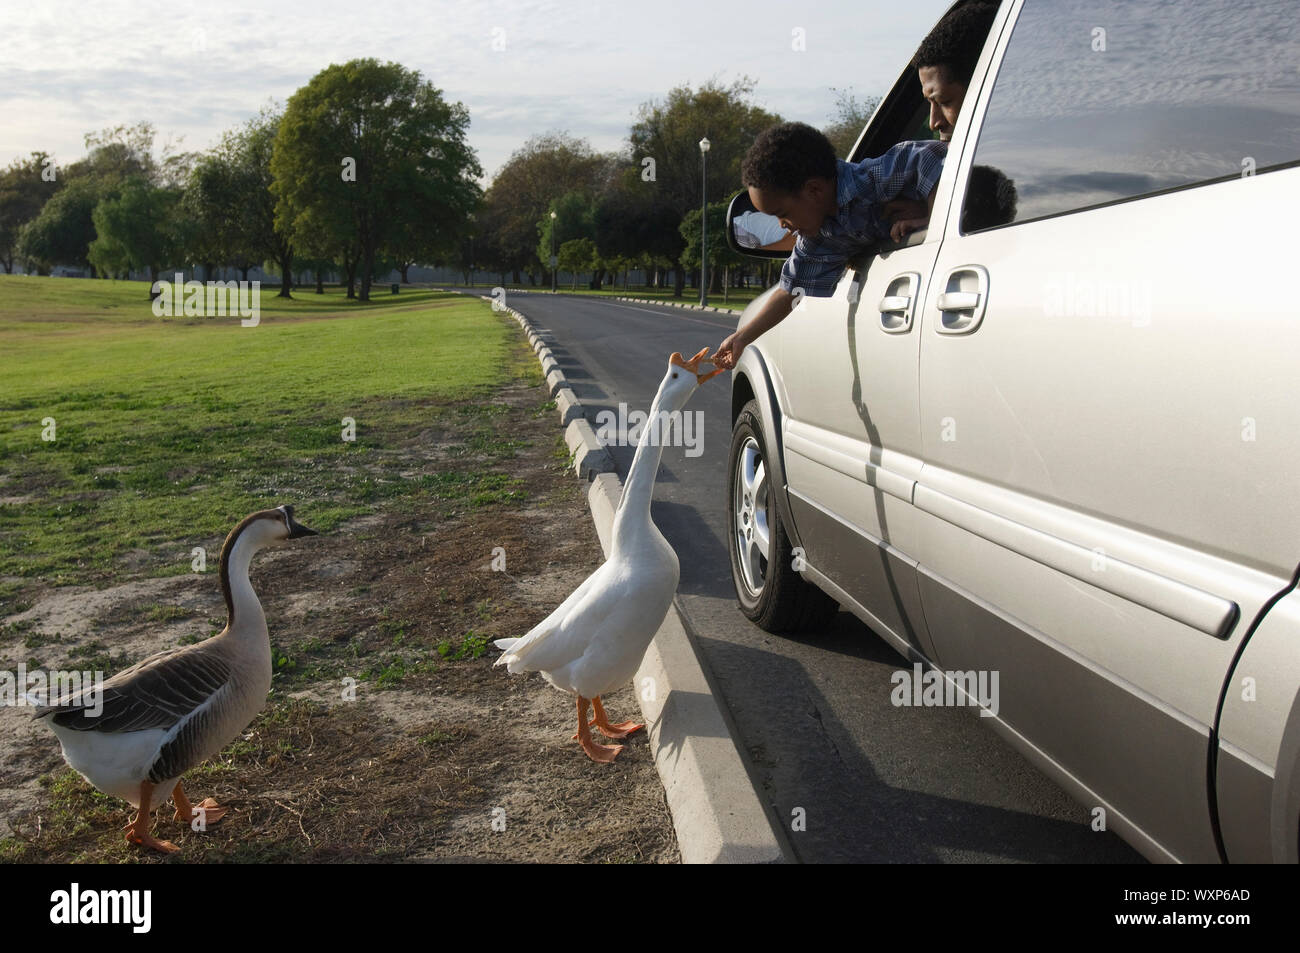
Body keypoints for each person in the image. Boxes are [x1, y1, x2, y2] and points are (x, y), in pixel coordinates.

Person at [713, 0, 1001, 370]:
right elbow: (789, 291)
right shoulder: (820, 239)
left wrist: (934, 214)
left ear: (815, 190)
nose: (783, 226)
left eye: (782, 214)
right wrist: (741, 338)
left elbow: (929, 158)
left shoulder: (877, 176)